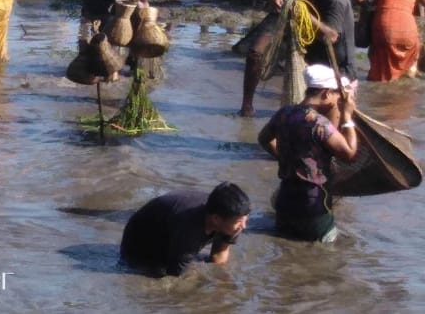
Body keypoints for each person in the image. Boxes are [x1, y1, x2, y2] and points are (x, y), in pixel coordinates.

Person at [257, 63, 357, 242]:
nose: (337, 100)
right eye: (335, 94)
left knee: (286, 252)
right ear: (326, 93)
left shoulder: (284, 113)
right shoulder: (320, 124)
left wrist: (286, 158)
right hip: (313, 207)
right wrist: (347, 117)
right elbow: (350, 154)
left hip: (285, 203)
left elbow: (264, 139)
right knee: (328, 257)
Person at [120, 182, 251, 278]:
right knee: (160, 274)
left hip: (171, 228)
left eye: (245, 219)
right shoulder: (189, 230)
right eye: (239, 222)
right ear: (216, 219)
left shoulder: (234, 219)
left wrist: (220, 285)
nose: (244, 226)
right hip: (139, 241)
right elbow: (174, 276)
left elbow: (219, 254)